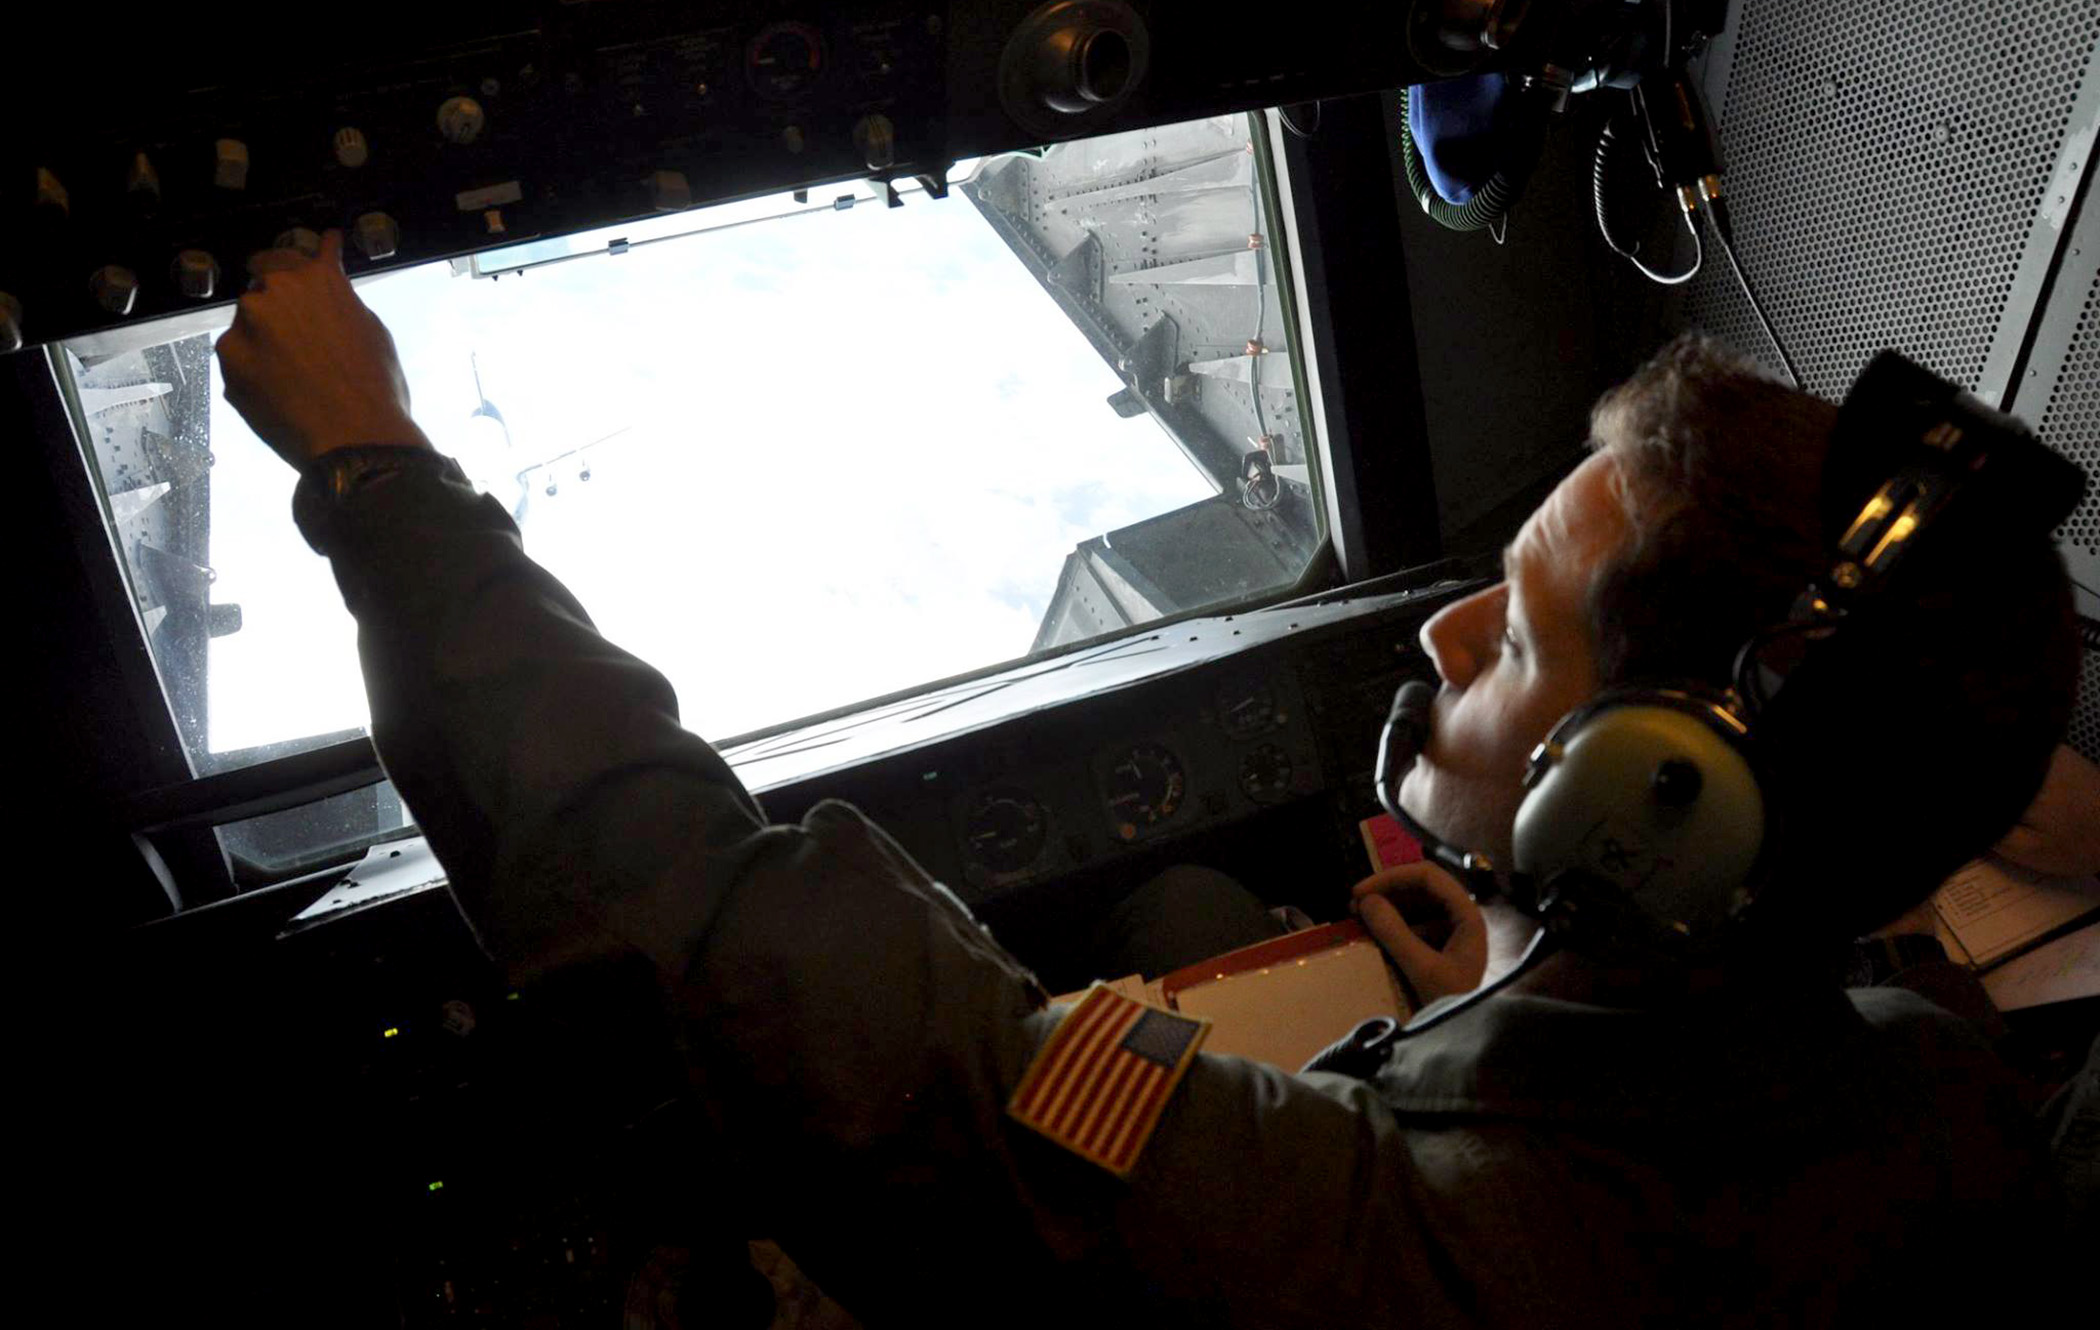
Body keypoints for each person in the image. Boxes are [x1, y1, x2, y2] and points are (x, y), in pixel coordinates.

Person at [219, 233, 2076, 1326]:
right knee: (1191, 916)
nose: (1435, 641)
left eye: (1514, 637)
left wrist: (373, 472)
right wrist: (1526, 999)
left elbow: (736, 940)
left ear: (1667, 803)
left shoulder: (1382, 1255)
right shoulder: (1941, 1081)